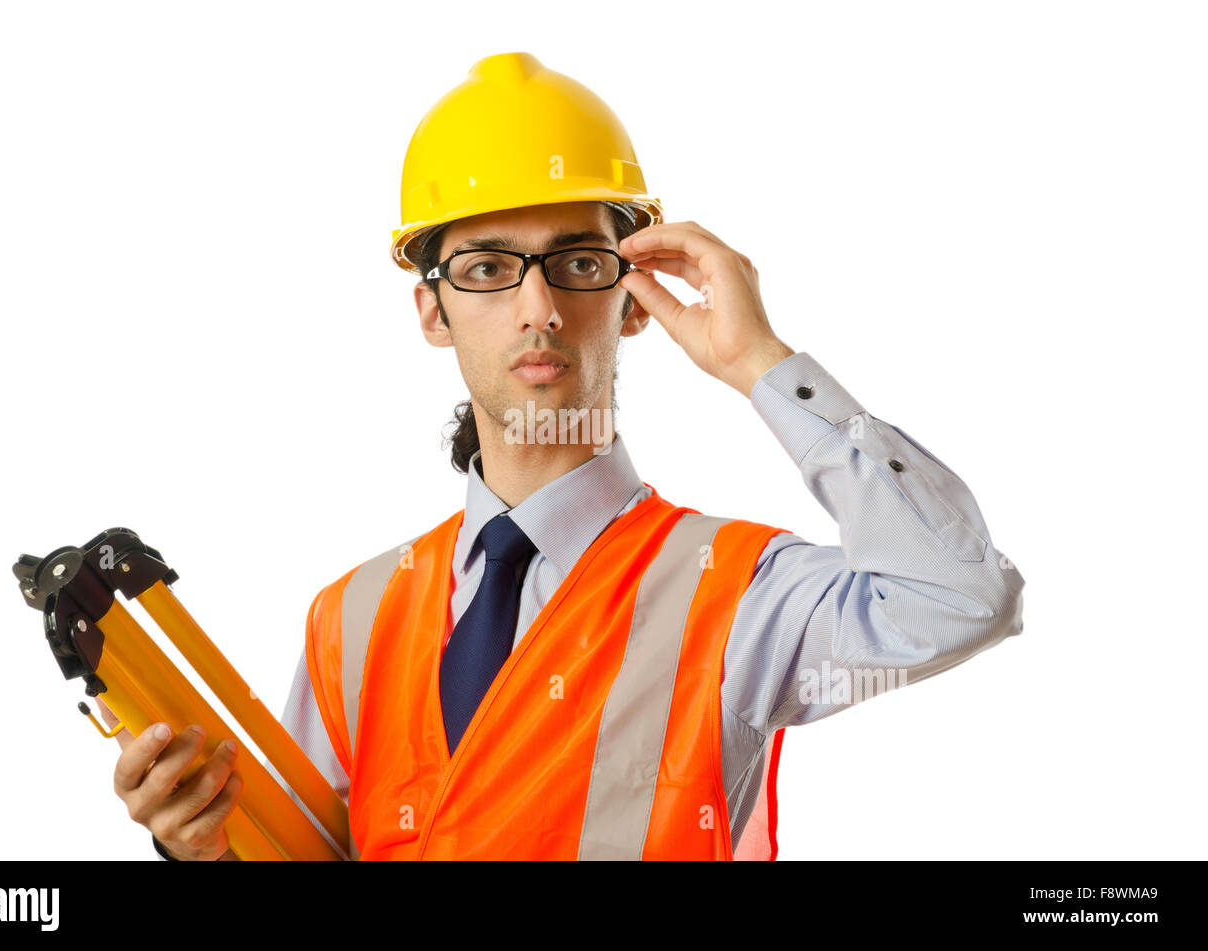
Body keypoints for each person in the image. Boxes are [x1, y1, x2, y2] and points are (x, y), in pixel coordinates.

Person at [106, 52, 1026, 861]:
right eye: (488, 266)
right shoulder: (351, 618)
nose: (538, 306)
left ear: (632, 298)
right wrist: (203, 847)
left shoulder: (734, 593)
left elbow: (963, 595)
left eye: (578, 261)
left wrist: (759, 363)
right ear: (434, 310)